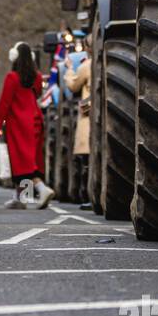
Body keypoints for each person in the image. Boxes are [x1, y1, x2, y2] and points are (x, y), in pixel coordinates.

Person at [0, 43, 56, 209]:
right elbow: (38, 94)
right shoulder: (36, 76)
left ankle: (42, 189)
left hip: (18, 124)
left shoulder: (12, 77)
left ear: (14, 57)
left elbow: (5, 103)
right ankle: (20, 197)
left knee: (23, 162)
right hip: (35, 120)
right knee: (30, 158)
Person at [63, 45, 93, 211]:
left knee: (87, 160)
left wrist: (68, 69)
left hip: (88, 117)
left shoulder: (86, 66)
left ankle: (87, 195)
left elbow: (73, 85)